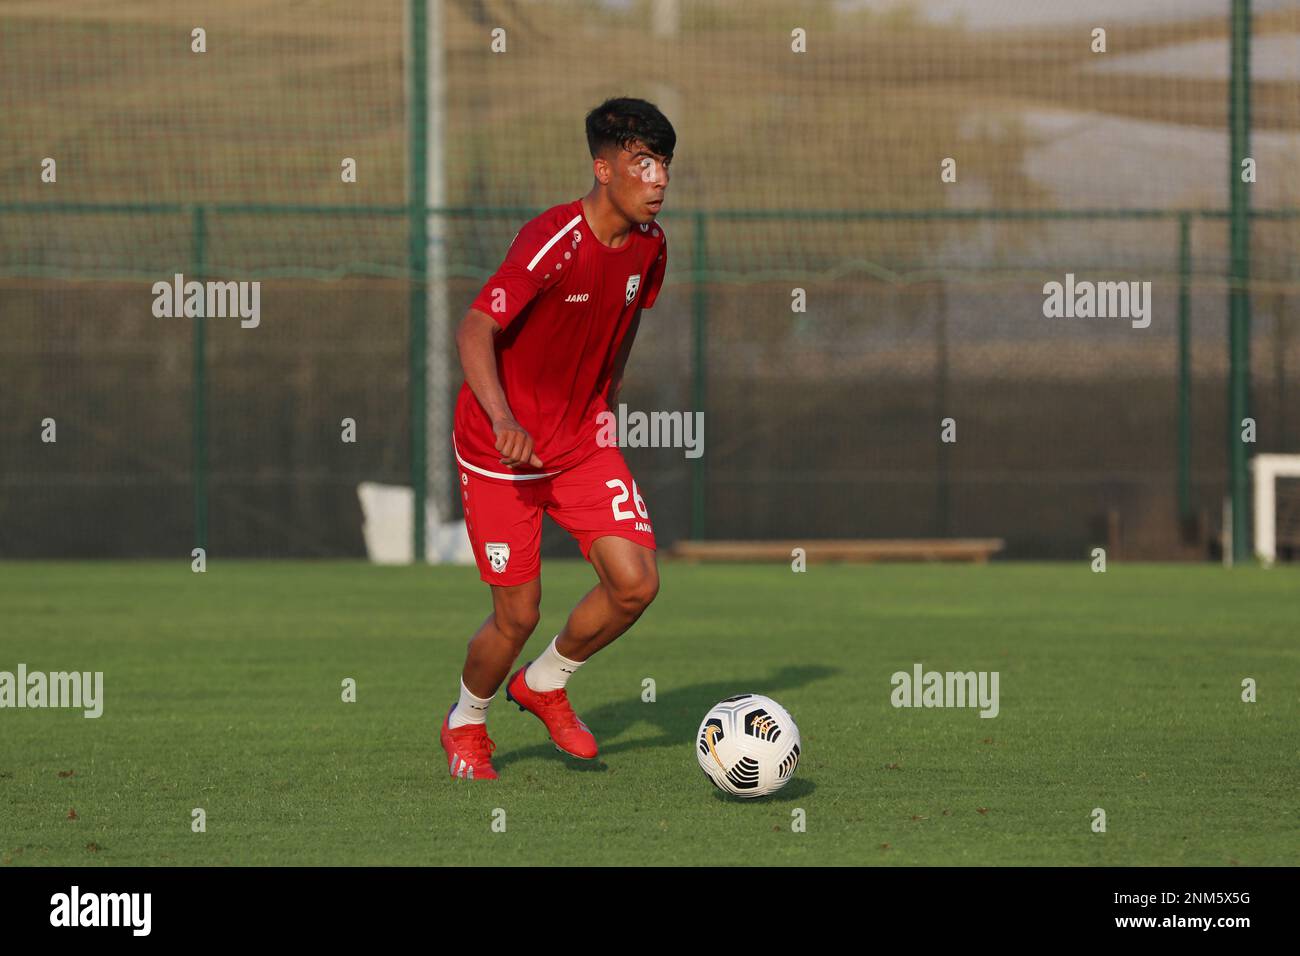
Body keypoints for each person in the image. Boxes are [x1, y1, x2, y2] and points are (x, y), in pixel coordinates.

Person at [440, 97, 674, 780]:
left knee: (635, 584)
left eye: (663, 164)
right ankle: (466, 722)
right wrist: (504, 420)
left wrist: (606, 402)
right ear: (603, 169)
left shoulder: (651, 246)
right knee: (516, 616)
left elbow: (625, 322)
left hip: (580, 444)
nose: (658, 178)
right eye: (642, 163)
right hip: (499, 452)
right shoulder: (553, 238)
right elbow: (474, 328)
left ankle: (545, 683)